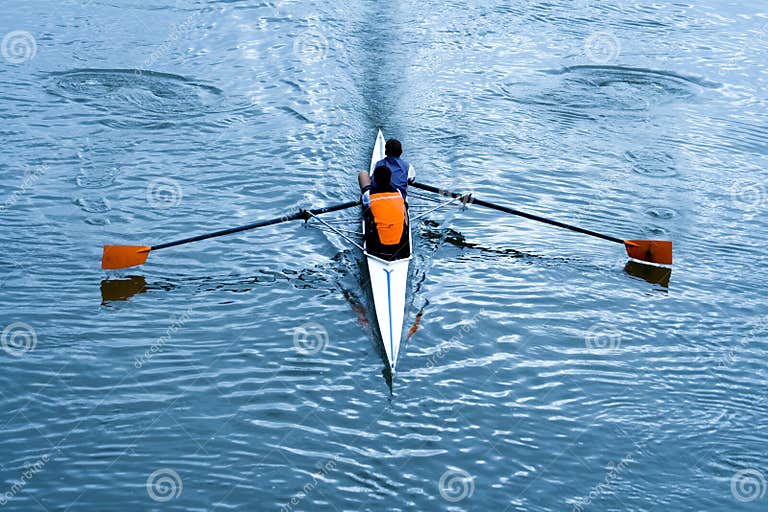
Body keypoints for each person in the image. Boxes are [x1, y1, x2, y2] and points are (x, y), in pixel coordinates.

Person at [358, 165, 409, 259]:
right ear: (390, 179)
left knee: (363, 173)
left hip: (377, 248)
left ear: (374, 180)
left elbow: (362, 176)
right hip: (400, 247)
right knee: (404, 207)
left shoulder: (368, 195)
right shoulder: (398, 192)